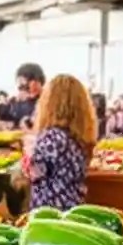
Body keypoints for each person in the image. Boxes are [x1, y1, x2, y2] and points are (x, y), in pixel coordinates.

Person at [28, 75, 97, 211]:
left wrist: (28, 154)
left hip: (50, 212)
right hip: (73, 207)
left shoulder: (51, 137)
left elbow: (34, 173)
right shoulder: (79, 139)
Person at [10, 63, 45, 128]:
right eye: (20, 85)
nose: (22, 88)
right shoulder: (18, 102)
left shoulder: (48, 101)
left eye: (24, 85)